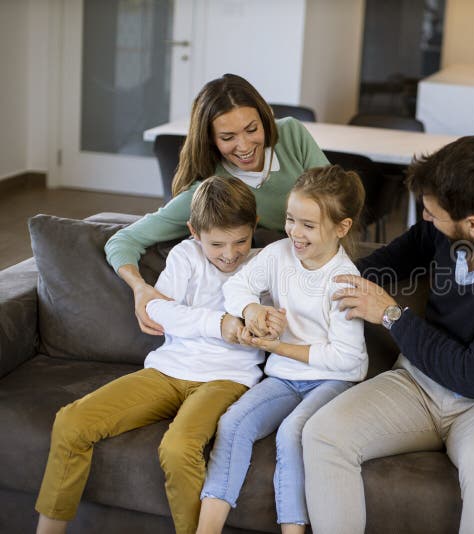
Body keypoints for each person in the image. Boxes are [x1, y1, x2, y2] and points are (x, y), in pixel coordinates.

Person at [302, 136, 474, 534]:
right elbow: (397, 256)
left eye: (433, 214)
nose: (427, 219)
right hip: (418, 382)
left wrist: (391, 314)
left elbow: (473, 376)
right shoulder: (444, 230)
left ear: (473, 224)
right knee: (322, 434)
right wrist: (327, 284)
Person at [35, 176, 287, 534]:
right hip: (167, 371)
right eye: (217, 243)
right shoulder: (185, 255)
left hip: (227, 379)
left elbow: (275, 320)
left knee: (178, 448)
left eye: (241, 241)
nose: (230, 254)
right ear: (194, 232)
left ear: (254, 227)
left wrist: (263, 325)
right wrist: (221, 324)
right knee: (71, 422)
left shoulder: (265, 264)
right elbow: (159, 310)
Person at [196, 165, 369, 534]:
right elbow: (237, 287)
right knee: (233, 423)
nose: (295, 232)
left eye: (308, 225)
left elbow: (347, 359)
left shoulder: (344, 280)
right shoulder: (278, 255)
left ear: (342, 228)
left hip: (333, 381)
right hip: (285, 379)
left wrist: (279, 347)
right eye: (291, 219)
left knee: (292, 433)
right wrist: (253, 309)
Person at [105, 73, 329, 337]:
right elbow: (123, 241)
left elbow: (334, 203)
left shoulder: (291, 133)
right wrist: (139, 288)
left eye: (252, 129)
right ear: (210, 139)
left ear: (264, 119)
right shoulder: (209, 191)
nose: (244, 145)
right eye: (228, 137)